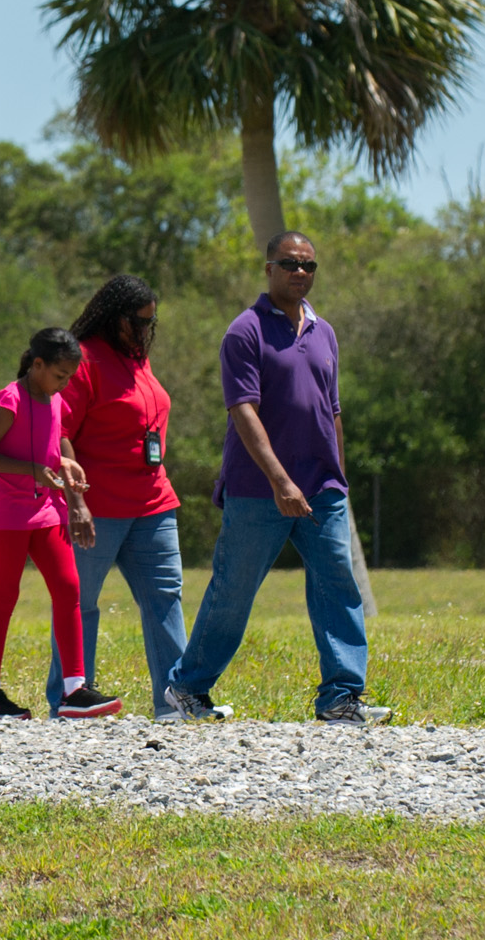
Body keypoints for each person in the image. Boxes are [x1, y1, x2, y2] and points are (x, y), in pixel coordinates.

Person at [166, 231, 392, 726]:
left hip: (322, 489)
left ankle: (341, 697)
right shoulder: (245, 331)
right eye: (289, 264)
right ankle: (187, 689)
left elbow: (332, 410)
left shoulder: (324, 331)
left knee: (338, 587)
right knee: (234, 590)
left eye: (309, 265)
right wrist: (280, 480)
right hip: (258, 489)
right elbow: (243, 410)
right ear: (269, 269)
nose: (300, 273)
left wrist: (338, 477)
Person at [43, 274, 190, 719]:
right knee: (80, 603)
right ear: (113, 317)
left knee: (166, 598)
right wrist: (76, 502)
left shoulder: (137, 358)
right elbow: (59, 434)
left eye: (150, 322)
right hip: (97, 509)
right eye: (138, 322)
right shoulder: (84, 360)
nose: (145, 330)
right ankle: (71, 699)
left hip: (153, 502)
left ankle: (175, 701)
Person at [0, 329, 123, 719]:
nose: (64, 383)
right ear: (37, 364)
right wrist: (34, 470)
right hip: (4, 510)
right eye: (59, 375)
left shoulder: (54, 399)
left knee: (69, 588)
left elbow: (56, 442)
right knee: (4, 595)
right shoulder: (11, 399)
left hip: (45, 508)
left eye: (69, 376)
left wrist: (66, 463)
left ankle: (74, 690)